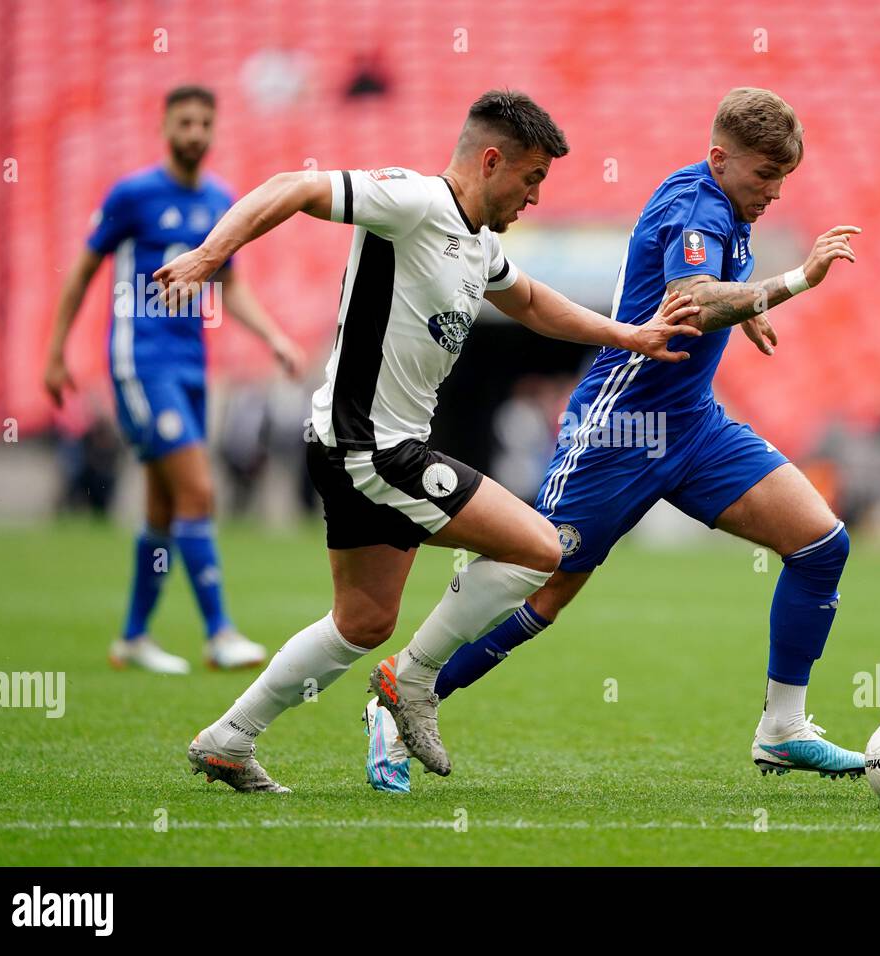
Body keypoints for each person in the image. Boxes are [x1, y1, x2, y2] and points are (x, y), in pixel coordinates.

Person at [156, 90, 701, 792]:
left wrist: (624, 333)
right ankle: (412, 683)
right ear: (493, 159)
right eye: (532, 178)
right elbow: (291, 186)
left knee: (362, 620)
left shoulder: (480, 244)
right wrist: (208, 254)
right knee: (541, 546)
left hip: (357, 446)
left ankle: (229, 739)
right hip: (370, 446)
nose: (535, 196)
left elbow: (531, 303)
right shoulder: (411, 202)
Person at [367, 87, 865, 790]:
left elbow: (707, 287)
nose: (775, 192)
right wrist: (787, 283)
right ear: (720, 158)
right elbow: (690, 294)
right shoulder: (697, 204)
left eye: (783, 179)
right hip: (620, 427)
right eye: (763, 177)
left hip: (693, 425)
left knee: (820, 544)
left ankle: (782, 728)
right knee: (539, 577)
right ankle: (400, 695)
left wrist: (742, 301)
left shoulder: (720, 198)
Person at [44, 85, 304, 674]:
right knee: (200, 491)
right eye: (184, 121)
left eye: (204, 122)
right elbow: (84, 268)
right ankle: (219, 633)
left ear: (214, 129)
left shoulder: (219, 200)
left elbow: (229, 283)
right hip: (142, 362)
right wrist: (56, 353)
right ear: (165, 126)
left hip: (191, 366)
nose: (195, 132)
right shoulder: (133, 196)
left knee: (164, 505)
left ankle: (133, 637)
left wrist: (274, 337)